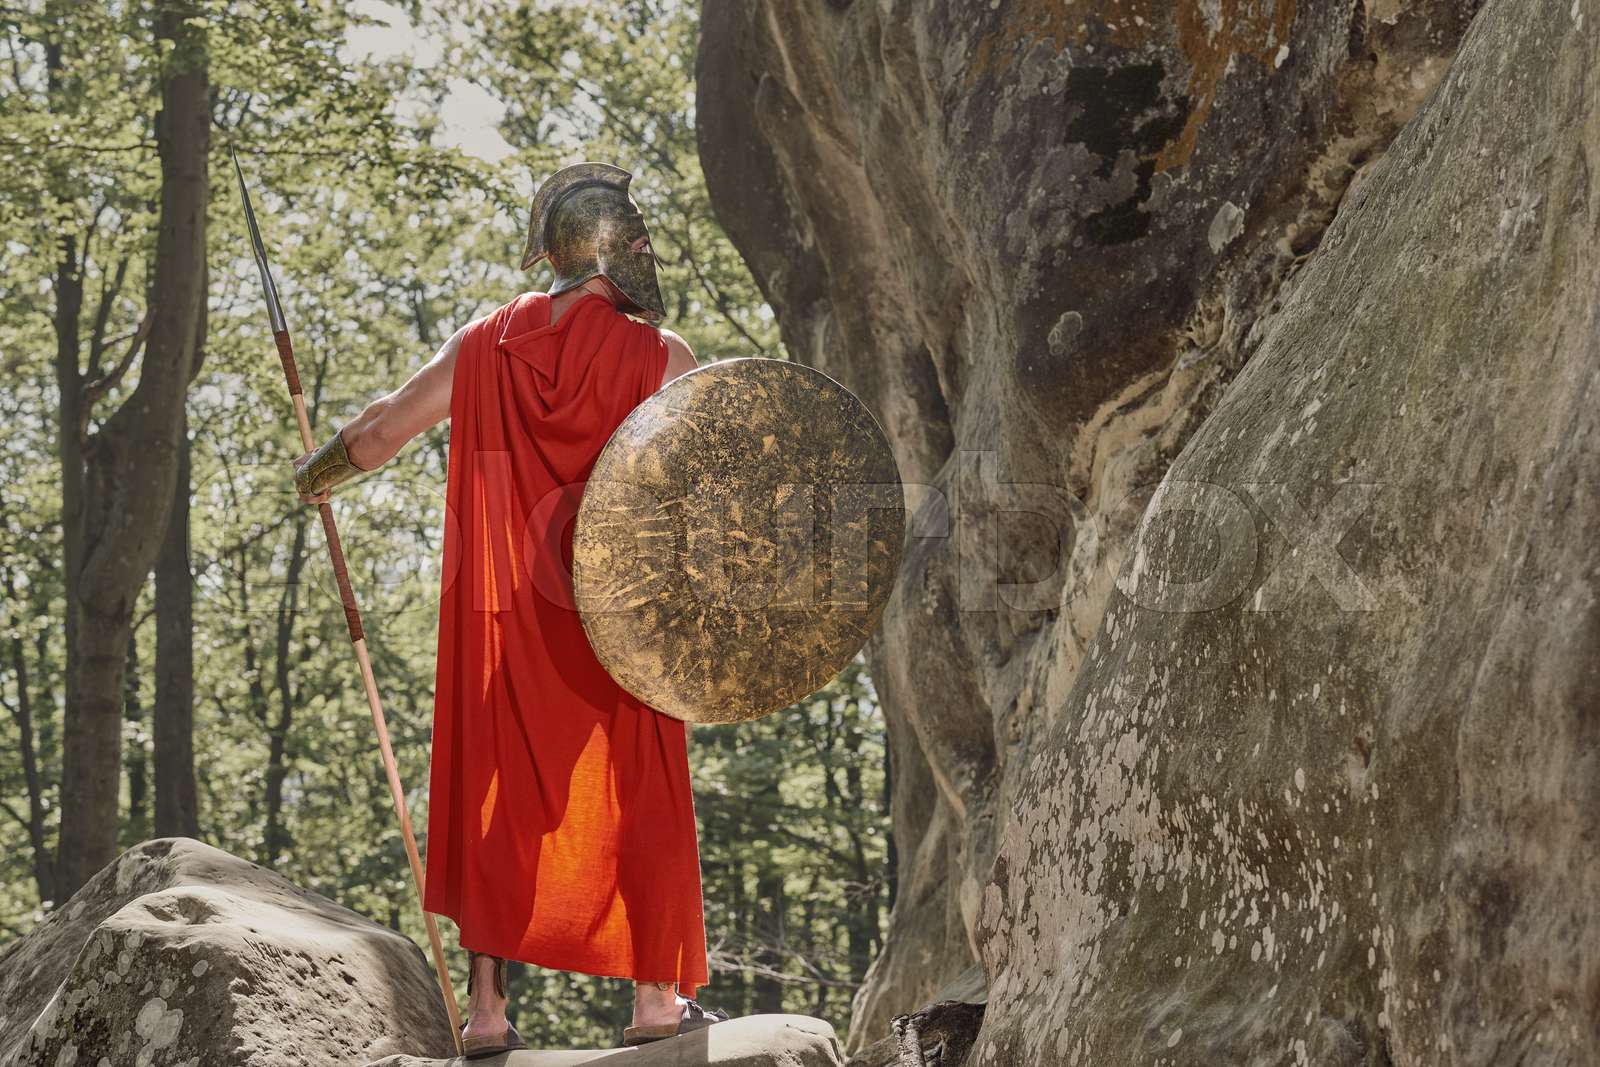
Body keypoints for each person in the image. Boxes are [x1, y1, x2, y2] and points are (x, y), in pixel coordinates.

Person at [293, 162, 726, 1058]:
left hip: (509, 622)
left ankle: (486, 1010)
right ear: (618, 249)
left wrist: (316, 476)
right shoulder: (661, 356)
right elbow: (718, 479)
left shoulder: (483, 341)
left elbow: (380, 429)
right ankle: (654, 999)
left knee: (498, 794)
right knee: (638, 784)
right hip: (614, 622)